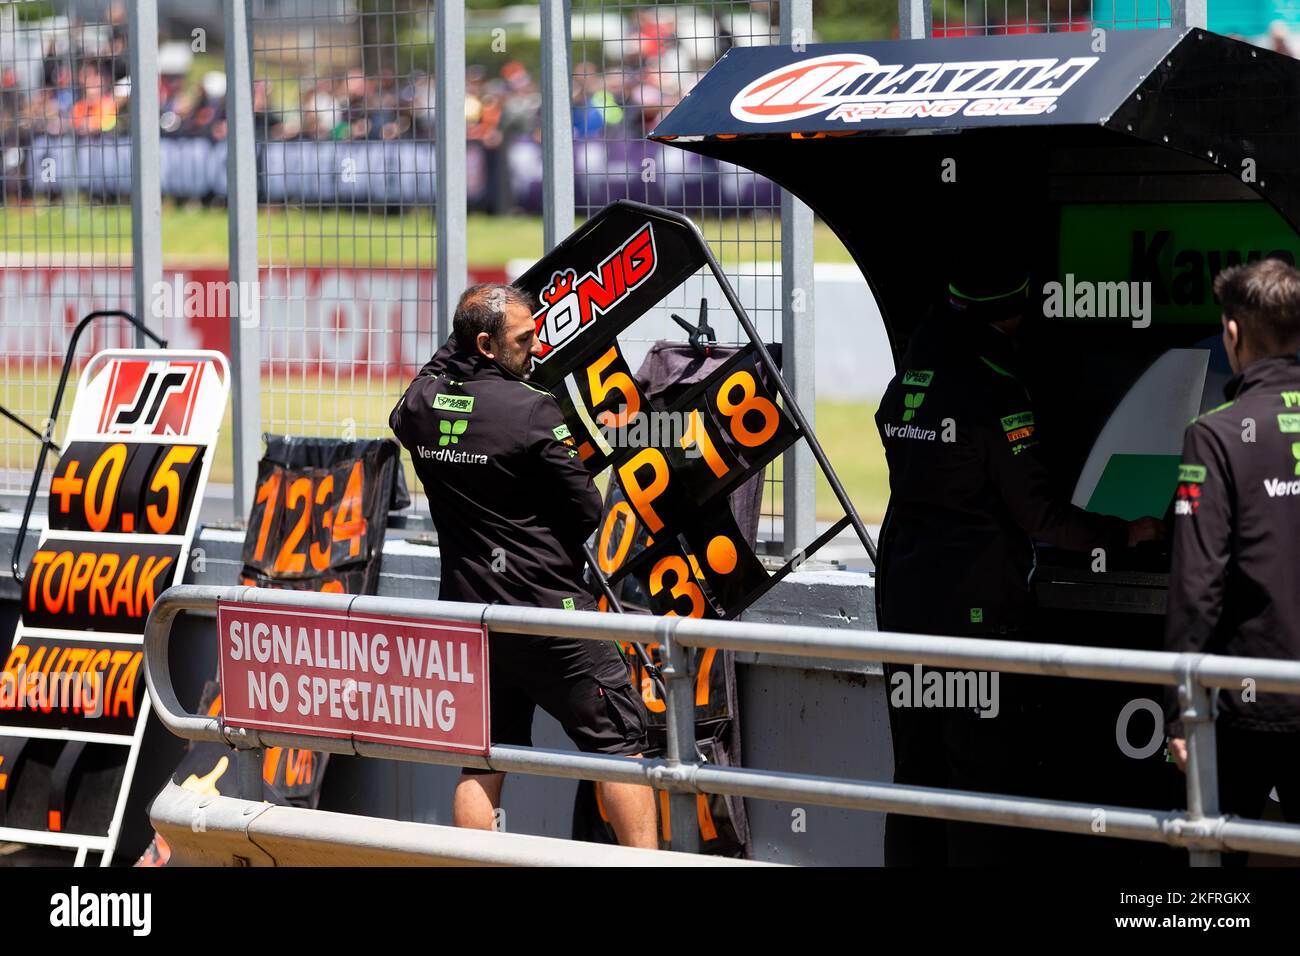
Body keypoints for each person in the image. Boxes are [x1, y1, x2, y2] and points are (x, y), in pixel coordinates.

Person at [874, 262, 1163, 865]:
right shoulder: (996, 390)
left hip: (903, 603)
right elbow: (1041, 515)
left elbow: (893, 431)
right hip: (972, 615)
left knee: (916, 771)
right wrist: (1123, 532)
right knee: (977, 778)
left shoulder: (910, 380)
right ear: (1012, 311)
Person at [389, 283, 658, 848]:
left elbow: (414, 396)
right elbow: (588, 509)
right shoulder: (533, 409)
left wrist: (460, 341)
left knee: (484, 757)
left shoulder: (420, 406)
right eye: (524, 338)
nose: (536, 348)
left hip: (473, 619)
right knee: (621, 749)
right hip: (550, 615)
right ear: (486, 345)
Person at [1164, 258, 1300, 862]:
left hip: (1250, 699)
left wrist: (1181, 708)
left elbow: (1198, 585)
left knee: (1215, 871)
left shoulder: (1215, 434)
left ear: (1233, 335)